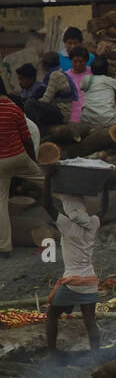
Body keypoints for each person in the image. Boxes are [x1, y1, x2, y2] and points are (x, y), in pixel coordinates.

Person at [41, 170, 108, 362]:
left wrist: (48, 177)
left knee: (52, 315)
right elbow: (105, 209)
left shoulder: (66, 225)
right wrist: (105, 186)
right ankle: (96, 356)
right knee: (90, 321)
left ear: (68, 210)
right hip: (90, 281)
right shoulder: (93, 223)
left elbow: (46, 205)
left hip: (72, 281)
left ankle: (52, 354)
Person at [0, 91, 45, 258]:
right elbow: (26, 138)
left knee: (1, 202)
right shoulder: (14, 109)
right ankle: (73, 207)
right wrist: (34, 161)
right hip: (18, 157)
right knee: (46, 181)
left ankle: (4, 247)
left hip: (0, 162)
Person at [25, 52, 76, 130]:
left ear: (46, 65)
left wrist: (34, 103)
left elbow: (46, 99)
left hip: (62, 113)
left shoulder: (55, 75)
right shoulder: (58, 72)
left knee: (30, 104)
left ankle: (40, 131)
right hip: (60, 109)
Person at [79, 57, 116, 129]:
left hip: (88, 119)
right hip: (108, 120)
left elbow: (82, 87)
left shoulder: (87, 79)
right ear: (107, 68)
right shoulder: (112, 81)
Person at [64, 47, 93, 123]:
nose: (78, 64)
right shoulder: (66, 76)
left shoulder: (92, 73)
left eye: (81, 61)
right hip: (72, 116)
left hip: (90, 115)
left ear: (86, 61)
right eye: (75, 61)